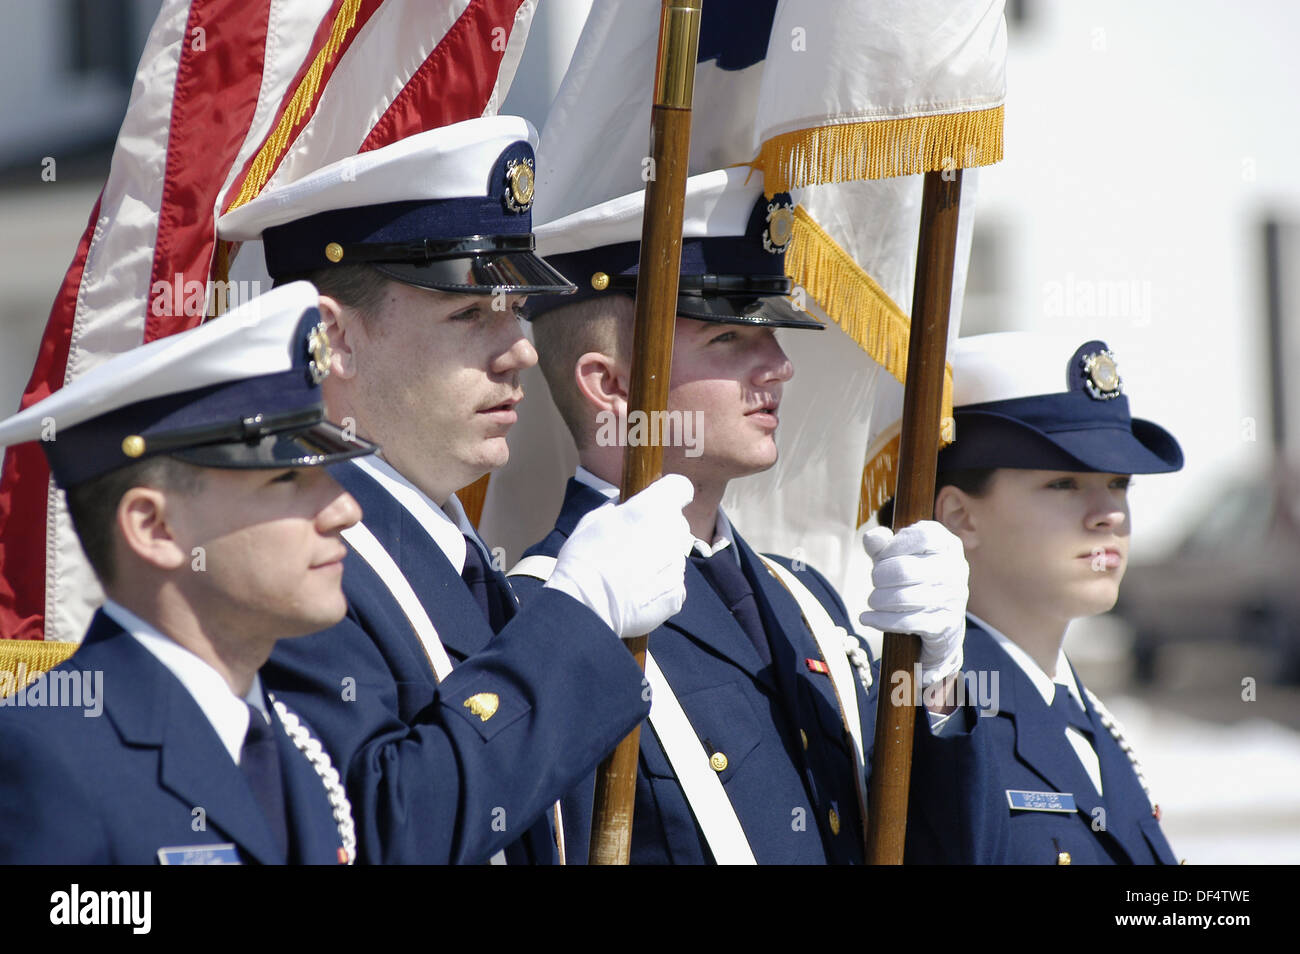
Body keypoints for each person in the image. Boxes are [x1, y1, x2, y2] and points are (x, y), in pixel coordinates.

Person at [216, 116, 692, 864]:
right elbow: (383, 826)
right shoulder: (287, 559)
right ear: (333, 339)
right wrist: (575, 625)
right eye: (470, 313)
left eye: (516, 312)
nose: (522, 352)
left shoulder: (455, 558)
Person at [510, 168, 972, 864]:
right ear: (611, 385)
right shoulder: (540, 613)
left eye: (772, 335)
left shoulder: (808, 600)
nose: (780, 366)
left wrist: (937, 690)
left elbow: (933, 846)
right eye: (729, 340)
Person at [0, 283, 375, 864]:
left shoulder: (290, 745)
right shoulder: (46, 757)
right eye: (286, 479)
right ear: (154, 528)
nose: (345, 510)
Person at [902, 332, 1184, 864]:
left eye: (1119, 483)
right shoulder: (933, 713)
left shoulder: (1082, 711)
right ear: (961, 516)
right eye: (1064, 484)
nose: (1110, 514)